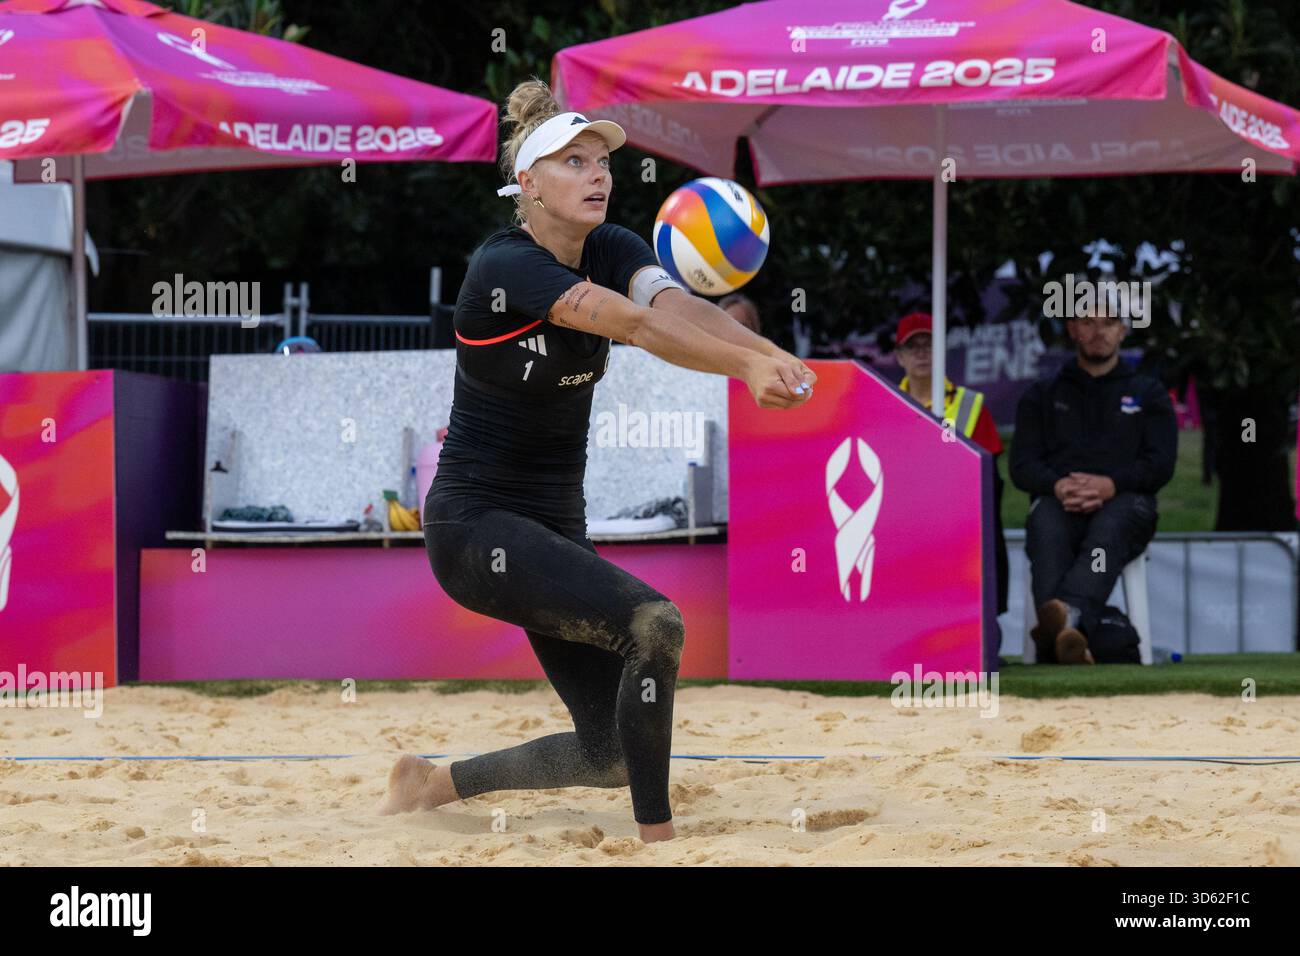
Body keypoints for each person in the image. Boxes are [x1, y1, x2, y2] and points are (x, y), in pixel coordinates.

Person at [378, 78, 816, 843]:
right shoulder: (503, 267)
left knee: (608, 751)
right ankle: (659, 840)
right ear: (528, 185)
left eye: (602, 161)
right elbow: (637, 326)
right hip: (475, 527)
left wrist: (768, 352)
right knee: (656, 622)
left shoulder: (611, 246)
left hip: (553, 527)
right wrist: (743, 372)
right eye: (574, 162)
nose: (598, 174)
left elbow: (677, 309)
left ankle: (433, 783)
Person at [1009, 305, 1176, 664]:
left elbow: (1161, 465)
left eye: (1109, 323)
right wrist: (1057, 486)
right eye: (1088, 322)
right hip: (1059, 502)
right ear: (1073, 329)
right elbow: (1021, 466)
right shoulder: (1042, 394)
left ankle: (1063, 621)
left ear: (1123, 332)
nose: (1099, 330)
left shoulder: (1149, 393)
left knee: (1111, 524)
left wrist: (1111, 485)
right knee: (1046, 525)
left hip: (1126, 504)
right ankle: (1072, 636)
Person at [893, 313, 1009, 628]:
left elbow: (989, 484)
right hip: (902, 524)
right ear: (899, 356)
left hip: (960, 527)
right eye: (912, 346)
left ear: (942, 351)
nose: (921, 353)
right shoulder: (888, 405)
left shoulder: (971, 405)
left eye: (928, 344)